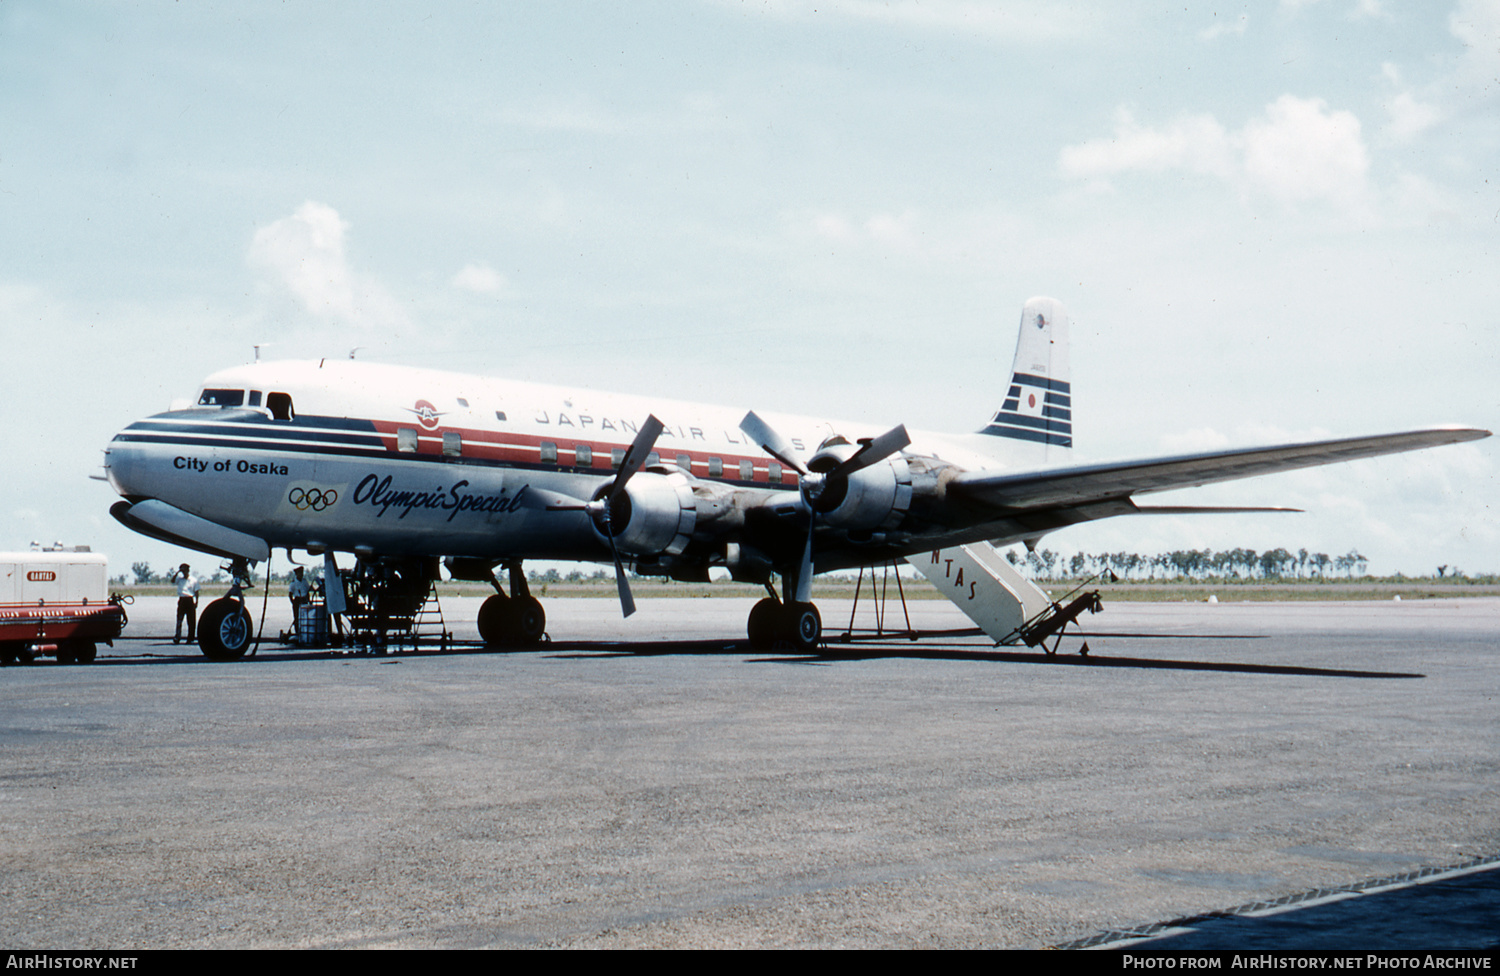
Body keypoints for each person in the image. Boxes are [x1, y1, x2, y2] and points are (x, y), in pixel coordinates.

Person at [172, 563, 199, 644]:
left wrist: (196, 602)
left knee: (191, 621)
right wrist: (177, 573)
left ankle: (190, 638)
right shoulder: (179, 579)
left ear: (188, 571)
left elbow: (196, 592)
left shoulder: (193, 580)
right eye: (182, 571)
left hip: (190, 600)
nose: (184, 573)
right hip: (182, 600)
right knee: (179, 620)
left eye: (185, 571)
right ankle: (177, 637)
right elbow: (172, 581)